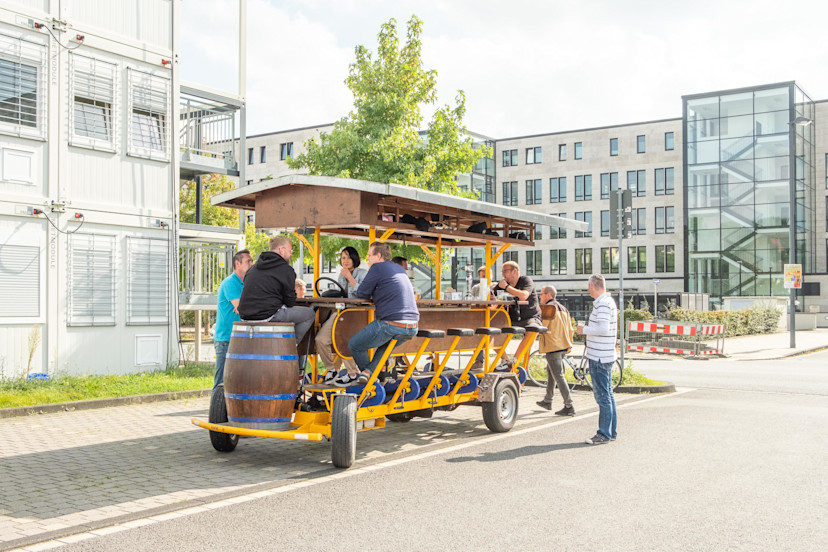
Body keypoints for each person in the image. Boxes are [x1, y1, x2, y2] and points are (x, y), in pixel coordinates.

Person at [339, 242, 419, 386]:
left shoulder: (377, 267)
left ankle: (370, 382)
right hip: (412, 326)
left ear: (379, 256)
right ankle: (368, 373)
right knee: (385, 347)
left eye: (370, 255)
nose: (368, 258)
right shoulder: (399, 268)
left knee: (355, 345)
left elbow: (361, 293)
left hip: (391, 323)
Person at [237, 236, 315, 344]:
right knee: (309, 314)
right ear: (282, 250)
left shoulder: (252, 269)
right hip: (268, 316)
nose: (291, 253)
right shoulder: (286, 270)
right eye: (290, 250)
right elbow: (290, 301)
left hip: (245, 318)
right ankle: (291, 346)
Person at [577, 274, 618, 445]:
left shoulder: (602, 304)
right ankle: (611, 431)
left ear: (592, 286)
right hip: (605, 354)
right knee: (608, 394)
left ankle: (603, 434)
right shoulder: (608, 302)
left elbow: (602, 328)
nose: (588, 290)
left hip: (600, 356)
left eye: (588, 286)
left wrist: (583, 329)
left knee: (602, 396)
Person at [316, 246, 368, 381]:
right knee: (320, 339)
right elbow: (340, 295)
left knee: (343, 339)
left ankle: (352, 373)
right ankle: (331, 369)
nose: (346, 261)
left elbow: (363, 293)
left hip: (356, 314)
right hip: (341, 312)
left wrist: (349, 277)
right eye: (343, 258)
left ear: (355, 259)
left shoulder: (363, 273)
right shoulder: (341, 275)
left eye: (349, 257)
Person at [213, 249, 254, 389]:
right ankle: (217, 410)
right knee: (222, 381)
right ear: (237, 263)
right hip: (226, 338)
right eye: (248, 261)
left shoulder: (247, 283)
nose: (252, 264)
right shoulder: (230, 282)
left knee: (239, 379)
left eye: (252, 261)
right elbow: (240, 308)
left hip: (239, 337)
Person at [490, 260, 541, 369]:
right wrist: (491, 294)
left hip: (529, 317)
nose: (503, 274)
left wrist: (507, 287)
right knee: (489, 331)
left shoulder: (526, 280)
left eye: (505, 271)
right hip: (510, 318)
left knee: (533, 329)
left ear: (515, 271)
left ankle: (515, 361)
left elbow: (523, 296)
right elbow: (490, 295)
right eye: (502, 271)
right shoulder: (501, 284)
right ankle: (505, 360)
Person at [536, 285, 575, 416]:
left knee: (558, 375)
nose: (539, 296)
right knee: (551, 371)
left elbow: (543, 327)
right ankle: (548, 400)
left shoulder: (548, 308)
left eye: (541, 294)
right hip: (563, 345)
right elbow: (571, 329)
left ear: (548, 295)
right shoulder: (563, 308)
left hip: (553, 346)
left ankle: (569, 405)